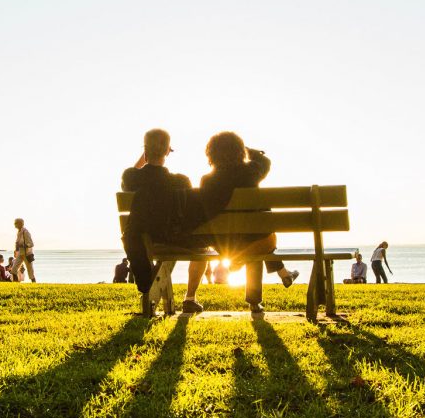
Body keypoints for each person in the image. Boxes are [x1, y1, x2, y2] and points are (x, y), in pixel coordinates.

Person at [194, 131, 297, 314]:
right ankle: (255, 302)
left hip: (226, 245)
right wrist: (251, 151)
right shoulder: (251, 172)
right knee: (259, 236)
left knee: (254, 237)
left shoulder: (207, 180)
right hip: (255, 240)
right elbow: (265, 163)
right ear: (240, 151)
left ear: (211, 153)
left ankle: (240, 262)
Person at [121, 128, 201, 315]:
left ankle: (148, 287)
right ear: (167, 151)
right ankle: (190, 297)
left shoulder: (131, 177)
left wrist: (145, 155)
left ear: (145, 150)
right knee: (200, 247)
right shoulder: (181, 181)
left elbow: (130, 179)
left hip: (142, 242)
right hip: (173, 240)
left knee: (137, 234)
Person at [13, 218, 36, 282]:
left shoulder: (26, 232)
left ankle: (34, 284)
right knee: (14, 270)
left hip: (27, 253)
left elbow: (31, 244)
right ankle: (15, 285)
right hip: (20, 253)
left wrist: (23, 245)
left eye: (15, 223)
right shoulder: (19, 232)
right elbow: (17, 242)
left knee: (30, 271)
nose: (14, 224)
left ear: (20, 224)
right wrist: (16, 250)